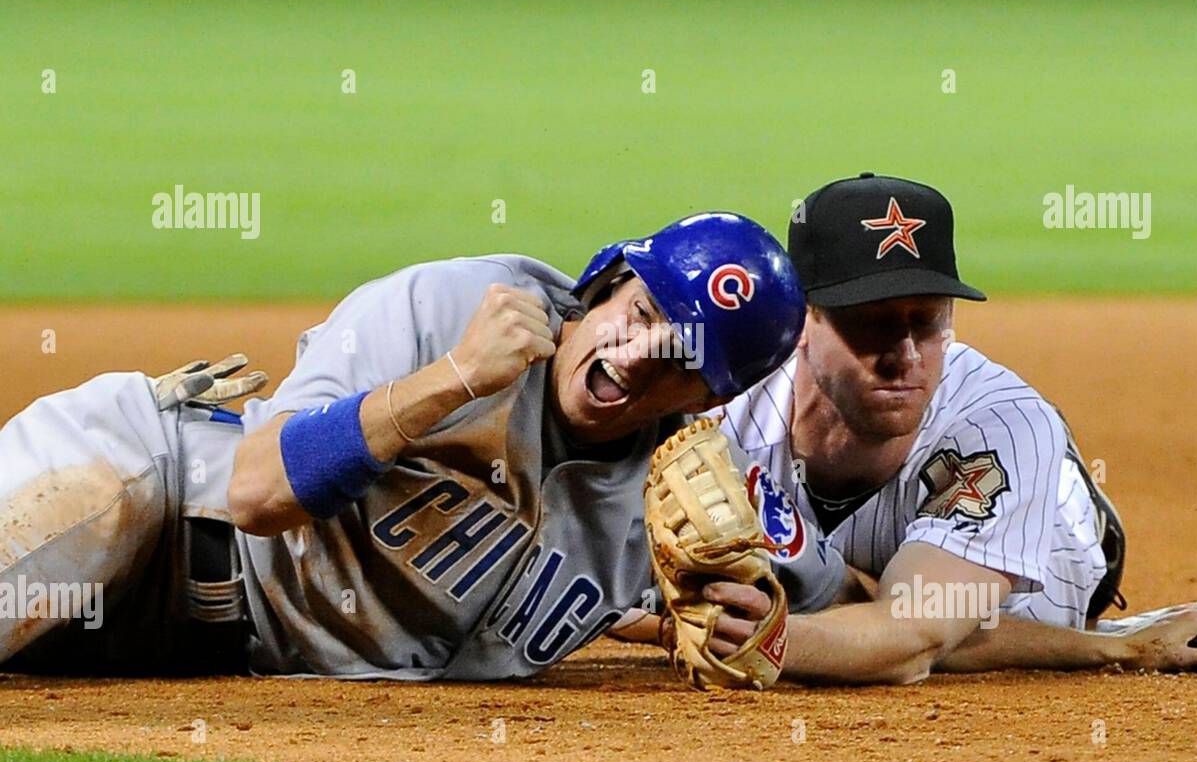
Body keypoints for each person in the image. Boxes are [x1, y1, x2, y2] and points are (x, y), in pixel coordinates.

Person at [0, 212, 847, 680]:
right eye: (642, 314)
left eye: (679, 359)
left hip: (177, 655)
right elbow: (255, 492)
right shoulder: (452, 306)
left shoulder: (692, 495)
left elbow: (878, 608)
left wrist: (752, 628)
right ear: (604, 282)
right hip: (150, 494)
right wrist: (453, 378)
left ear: (712, 399)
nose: (634, 357)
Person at [614, 175, 1197, 683]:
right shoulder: (726, 400)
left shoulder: (1003, 428)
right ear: (802, 319)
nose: (904, 355)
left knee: (939, 626)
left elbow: (914, 642)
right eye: (871, 323)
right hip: (875, 575)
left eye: (926, 321)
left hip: (1036, 572)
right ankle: (845, 586)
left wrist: (778, 635)